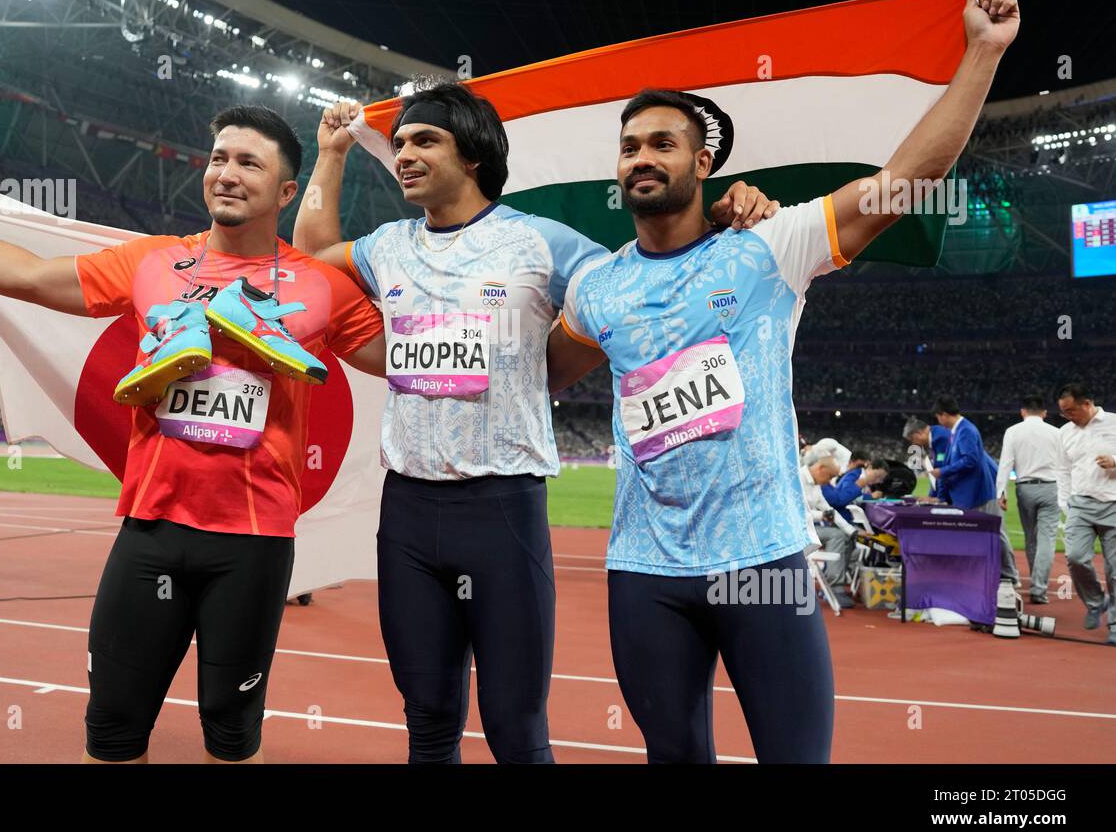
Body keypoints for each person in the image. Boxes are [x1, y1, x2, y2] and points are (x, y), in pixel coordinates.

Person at [549, 0, 1020, 762]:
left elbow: (906, 178)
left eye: (662, 144)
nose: (641, 158)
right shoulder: (599, 288)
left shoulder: (769, 246)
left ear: (702, 162)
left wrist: (982, 53)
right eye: (630, 145)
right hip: (644, 571)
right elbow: (540, 376)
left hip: (759, 562)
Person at [0, 104, 388, 762]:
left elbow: (406, 364)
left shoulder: (320, 288)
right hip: (150, 533)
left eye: (249, 163)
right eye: (220, 158)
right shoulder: (152, 265)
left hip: (253, 547)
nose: (227, 173)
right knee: (113, 729)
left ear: (287, 191)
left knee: (231, 737)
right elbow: (24, 275)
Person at [292, 82, 777, 762]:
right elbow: (311, 255)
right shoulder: (388, 247)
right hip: (405, 512)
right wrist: (332, 153)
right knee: (426, 723)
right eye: (400, 142)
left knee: (514, 730)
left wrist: (722, 217)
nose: (404, 153)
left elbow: (642, 286)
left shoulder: (539, 243)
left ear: (473, 155)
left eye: (424, 139)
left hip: (502, 509)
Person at [930, 396, 1021, 585]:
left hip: (978, 493)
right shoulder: (958, 431)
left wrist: (943, 471)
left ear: (944, 415)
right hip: (969, 494)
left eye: (938, 417)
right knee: (981, 535)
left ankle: (1010, 575)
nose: (938, 422)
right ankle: (985, 572)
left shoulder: (966, 431)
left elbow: (970, 460)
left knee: (996, 534)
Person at [1056, 383, 1116, 644]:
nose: (1068, 417)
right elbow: (1062, 470)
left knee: (1115, 571)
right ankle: (1095, 601)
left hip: (1113, 503)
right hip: (1080, 504)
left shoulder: (1114, 423)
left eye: (1071, 411)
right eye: (1063, 413)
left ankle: (1114, 623)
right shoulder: (1065, 433)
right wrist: (1064, 504)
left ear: (1087, 404)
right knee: (1076, 557)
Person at [995, 394, 1063, 604]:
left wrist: (1001, 492)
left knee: (1031, 538)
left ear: (1022, 411)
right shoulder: (1056, 432)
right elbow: (1064, 465)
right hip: (1052, 487)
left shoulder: (1013, 431)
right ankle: (1039, 587)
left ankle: (1037, 581)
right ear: (1044, 412)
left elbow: (1005, 463)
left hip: (1025, 489)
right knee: (1047, 540)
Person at [801, 456, 857, 608]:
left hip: (809, 528)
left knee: (845, 535)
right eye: (830, 476)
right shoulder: (797, 480)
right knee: (836, 535)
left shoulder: (815, 484)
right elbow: (796, 512)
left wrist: (852, 531)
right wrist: (821, 515)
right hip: (797, 530)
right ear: (821, 468)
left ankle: (834, 583)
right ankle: (835, 586)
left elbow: (829, 511)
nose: (829, 482)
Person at [902, 416, 952, 494]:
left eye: (912, 439)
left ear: (918, 433)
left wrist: (938, 498)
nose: (914, 443)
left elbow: (941, 472)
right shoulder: (936, 434)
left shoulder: (940, 438)